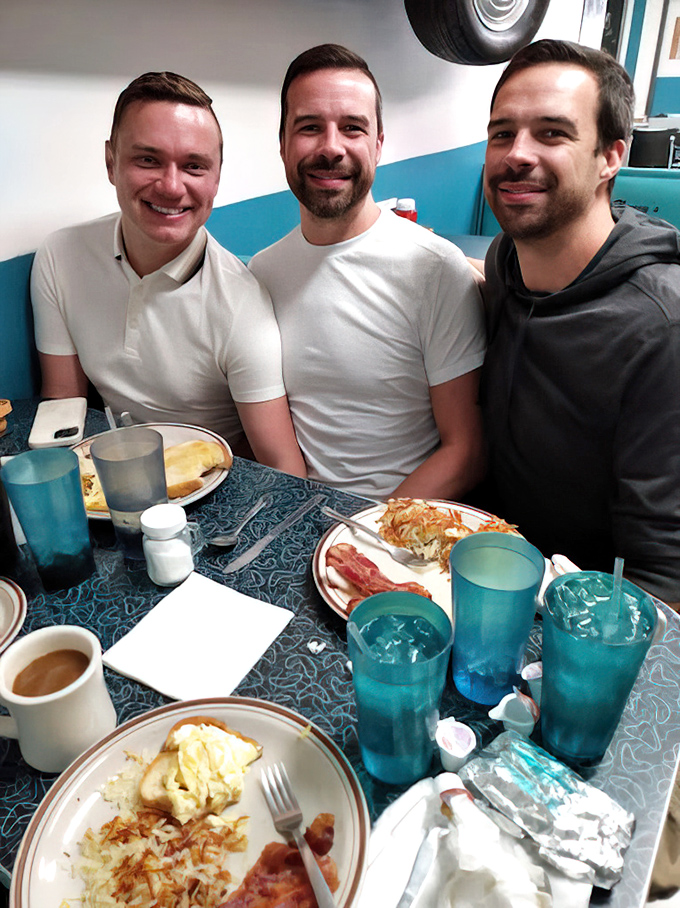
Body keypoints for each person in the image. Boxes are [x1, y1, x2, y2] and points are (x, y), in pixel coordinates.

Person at [478, 39, 680, 608]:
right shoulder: (506, 259)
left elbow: (663, 576)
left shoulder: (660, 326)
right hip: (480, 565)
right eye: (502, 133)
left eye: (552, 133)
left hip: (582, 618)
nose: (517, 154)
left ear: (611, 156)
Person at [31, 71, 306, 476]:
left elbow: (282, 465)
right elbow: (62, 408)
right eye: (148, 160)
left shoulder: (241, 303)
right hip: (111, 478)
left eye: (194, 166)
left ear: (216, 178)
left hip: (216, 492)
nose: (171, 186)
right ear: (111, 162)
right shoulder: (60, 255)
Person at [249, 44, 486, 500]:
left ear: (378, 145)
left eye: (352, 128)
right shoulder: (261, 273)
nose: (331, 147)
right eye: (309, 127)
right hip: (293, 514)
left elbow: (467, 451)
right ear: (282, 145)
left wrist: (363, 536)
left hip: (403, 530)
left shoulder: (434, 270)